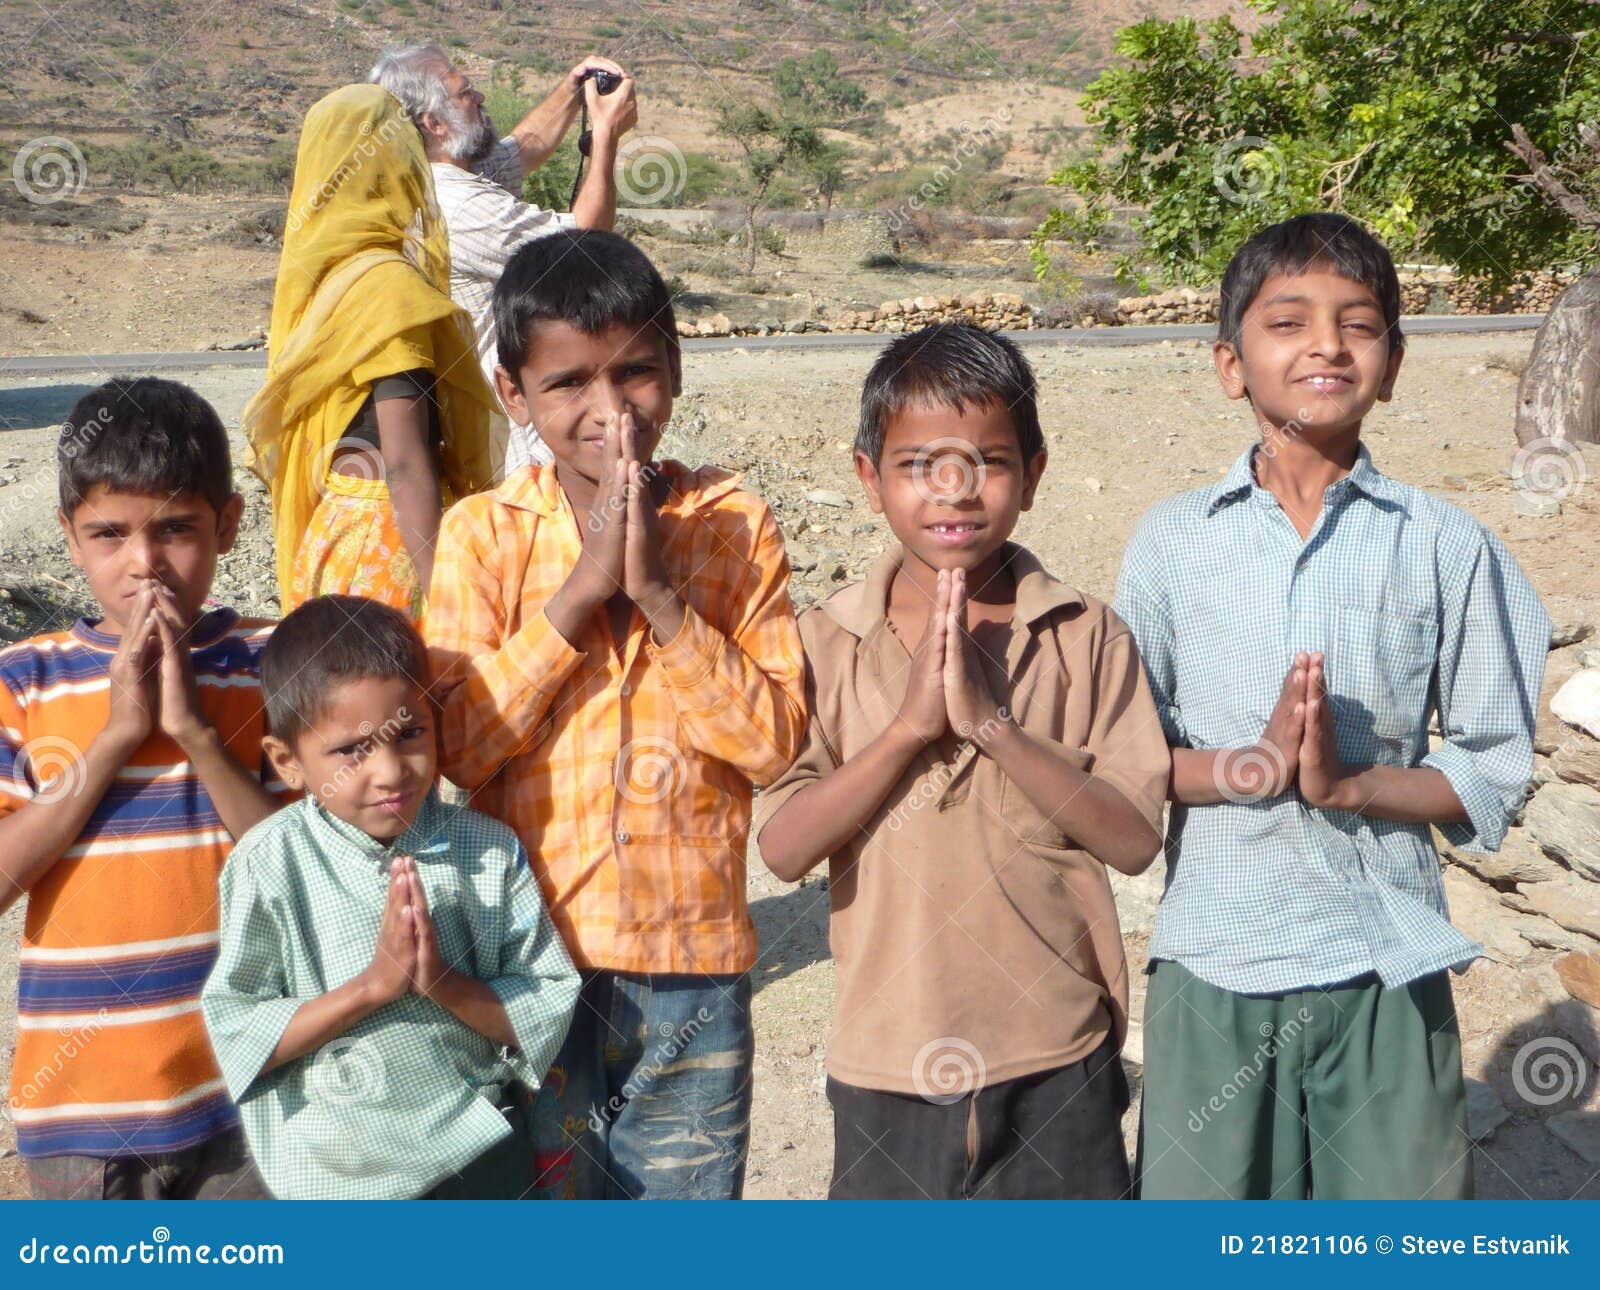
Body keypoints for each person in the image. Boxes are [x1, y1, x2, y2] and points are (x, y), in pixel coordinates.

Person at [1113, 213, 1551, 1200]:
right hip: (1217, 958)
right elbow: (1130, 756)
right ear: (1229, 364)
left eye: (1358, 325)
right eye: (1288, 322)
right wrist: (1252, 767)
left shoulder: (1445, 544)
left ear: (1392, 365)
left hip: (1383, 968)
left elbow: (1487, 766)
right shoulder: (1172, 542)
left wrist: (1349, 784)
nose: (1325, 344)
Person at [423, 228, 805, 1199]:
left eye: (635, 373)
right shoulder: (485, 537)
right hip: (522, 965)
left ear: (674, 369)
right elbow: (458, 747)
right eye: (568, 384)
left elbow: (771, 743)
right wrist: (579, 595)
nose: (610, 412)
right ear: (514, 395)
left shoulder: (729, 523)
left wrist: (659, 598)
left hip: (690, 963)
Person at [754, 323, 1170, 1200]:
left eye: (987, 460)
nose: (954, 490)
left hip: (1057, 1054)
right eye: (917, 465)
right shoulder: (824, 642)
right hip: (888, 1063)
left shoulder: (1084, 634)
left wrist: (996, 731)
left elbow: (1133, 839)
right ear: (869, 479)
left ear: (1034, 472)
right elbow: (785, 848)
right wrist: (907, 730)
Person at [0, 378, 281, 1199]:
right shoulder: (27, 681)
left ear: (228, 524)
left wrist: (195, 731)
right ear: (69, 536)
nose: (144, 565)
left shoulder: (272, 666)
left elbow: (308, 868)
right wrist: (118, 733)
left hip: (244, 1100)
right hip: (79, 1110)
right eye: (108, 534)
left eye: (175, 530)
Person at [200, 595, 579, 1200]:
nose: (390, 770)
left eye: (409, 733)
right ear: (287, 762)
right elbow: (239, 1031)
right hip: (333, 1178)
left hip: (475, 1157)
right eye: (352, 749)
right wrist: (374, 986)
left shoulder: (484, 848)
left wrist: (442, 984)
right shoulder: (270, 862)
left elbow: (544, 1003)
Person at [244, 82, 499, 619]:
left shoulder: (325, 283)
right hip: (394, 545)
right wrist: (445, 597)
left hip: (334, 536)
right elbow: (405, 462)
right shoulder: (388, 284)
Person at [371, 46, 637, 476]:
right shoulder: (455, 204)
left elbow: (522, 151)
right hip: (512, 441)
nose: (479, 99)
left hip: (483, 424)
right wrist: (605, 134)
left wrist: (572, 87)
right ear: (434, 124)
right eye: (465, 93)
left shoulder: (422, 179)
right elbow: (586, 243)